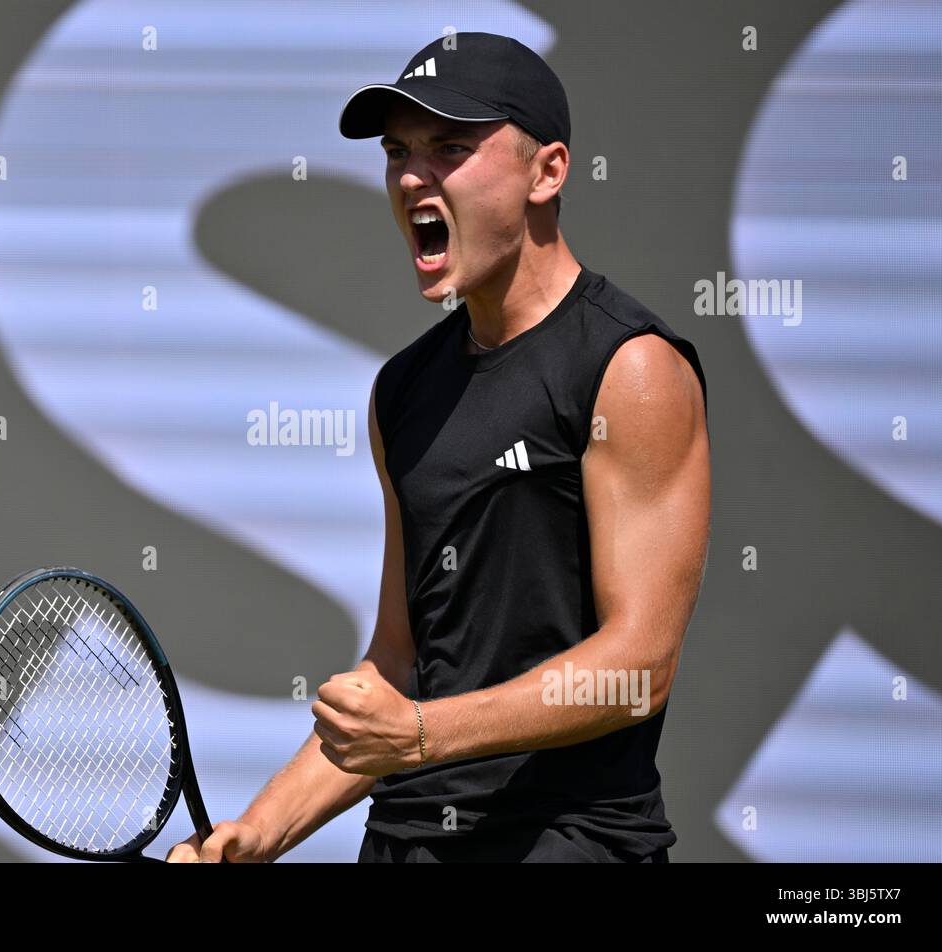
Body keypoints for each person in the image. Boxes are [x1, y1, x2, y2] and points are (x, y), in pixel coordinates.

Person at [167, 31, 710, 863]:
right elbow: (401, 662)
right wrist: (258, 831)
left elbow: (637, 667)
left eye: (452, 147)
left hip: (568, 845)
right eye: (398, 152)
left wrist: (422, 736)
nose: (413, 177)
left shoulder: (631, 369)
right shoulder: (402, 391)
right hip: (405, 844)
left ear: (548, 171)